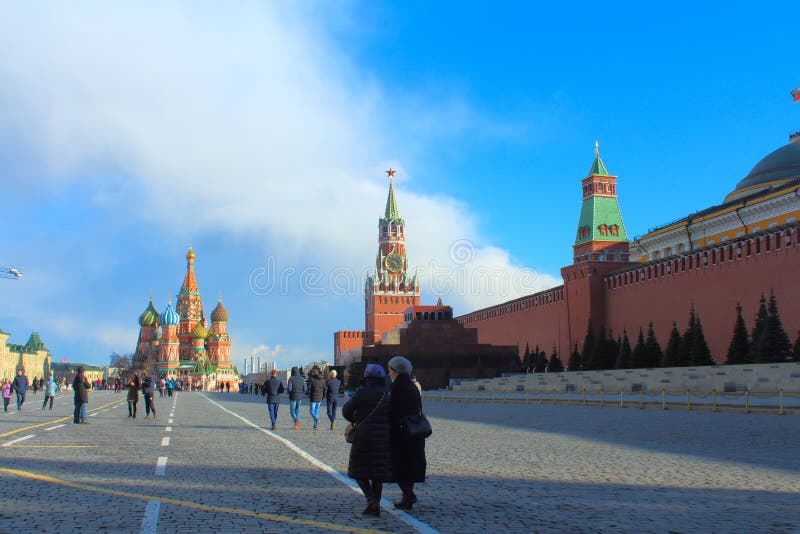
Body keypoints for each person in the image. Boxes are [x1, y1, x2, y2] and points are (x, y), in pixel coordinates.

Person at [342, 364, 391, 517]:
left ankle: (371, 500)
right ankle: (375, 502)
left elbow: (346, 411)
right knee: (377, 473)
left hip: (363, 437)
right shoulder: (386, 394)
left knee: (358, 471)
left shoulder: (361, 393)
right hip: (382, 438)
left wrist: (355, 420)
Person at [387, 355, 427, 510]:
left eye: (389, 370)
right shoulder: (411, 385)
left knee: (400, 465)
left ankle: (408, 495)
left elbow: (395, 410)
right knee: (408, 466)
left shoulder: (398, 386)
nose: (389, 373)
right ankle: (408, 495)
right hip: (414, 432)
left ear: (395, 370)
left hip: (402, 433)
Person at [307, 366, 326, 430]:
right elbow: (324, 389)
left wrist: (309, 395)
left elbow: (309, 389)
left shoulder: (312, 380)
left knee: (311, 411)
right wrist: (323, 396)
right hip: (320, 398)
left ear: (314, 373)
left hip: (313, 398)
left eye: (312, 372)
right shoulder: (323, 380)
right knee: (316, 410)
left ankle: (316, 418)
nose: (312, 374)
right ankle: (315, 425)